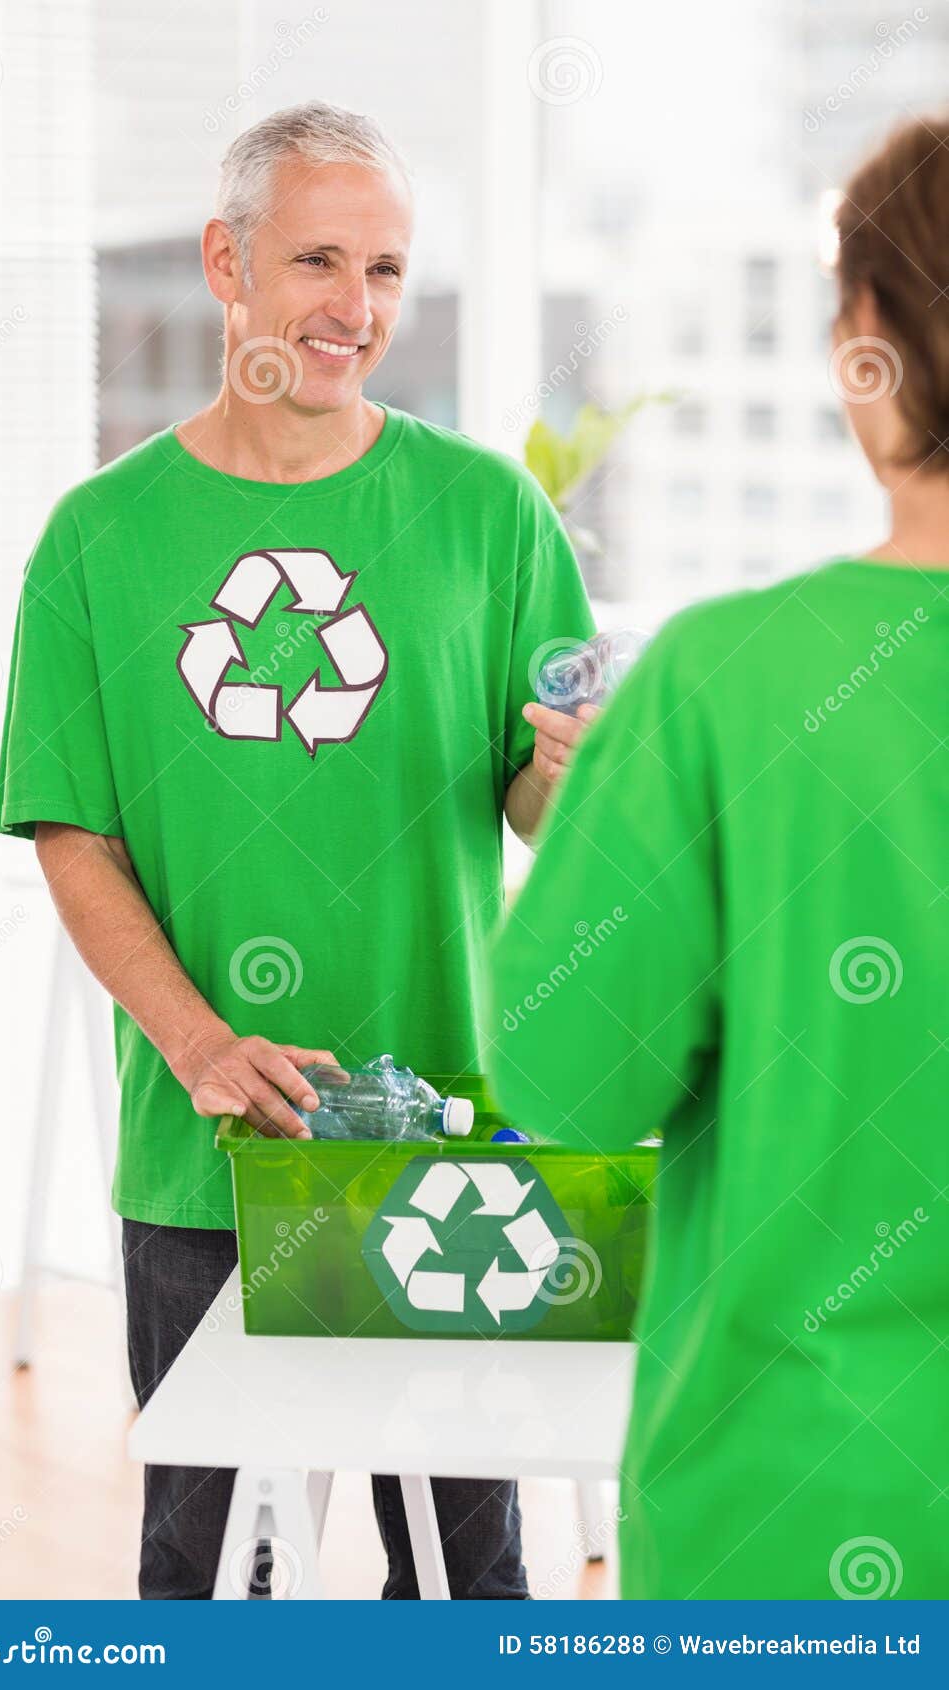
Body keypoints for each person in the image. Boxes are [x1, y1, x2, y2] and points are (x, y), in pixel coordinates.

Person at [0, 101, 595, 1599]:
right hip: (211, 1158)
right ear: (225, 262)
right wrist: (197, 1043)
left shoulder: (491, 518)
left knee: (467, 1576)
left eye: (387, 269)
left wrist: (565, 777)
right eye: (320, 259)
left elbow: (534, 811)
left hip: (447, 1147)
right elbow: (73, 834)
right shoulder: (94, 539)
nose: (358, 308)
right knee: (208, 1582)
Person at [489, 114, 949, 1600]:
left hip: (793, 1518)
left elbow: (571, 1076)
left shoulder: (725, 683)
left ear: (868, 336)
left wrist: (620, 810)